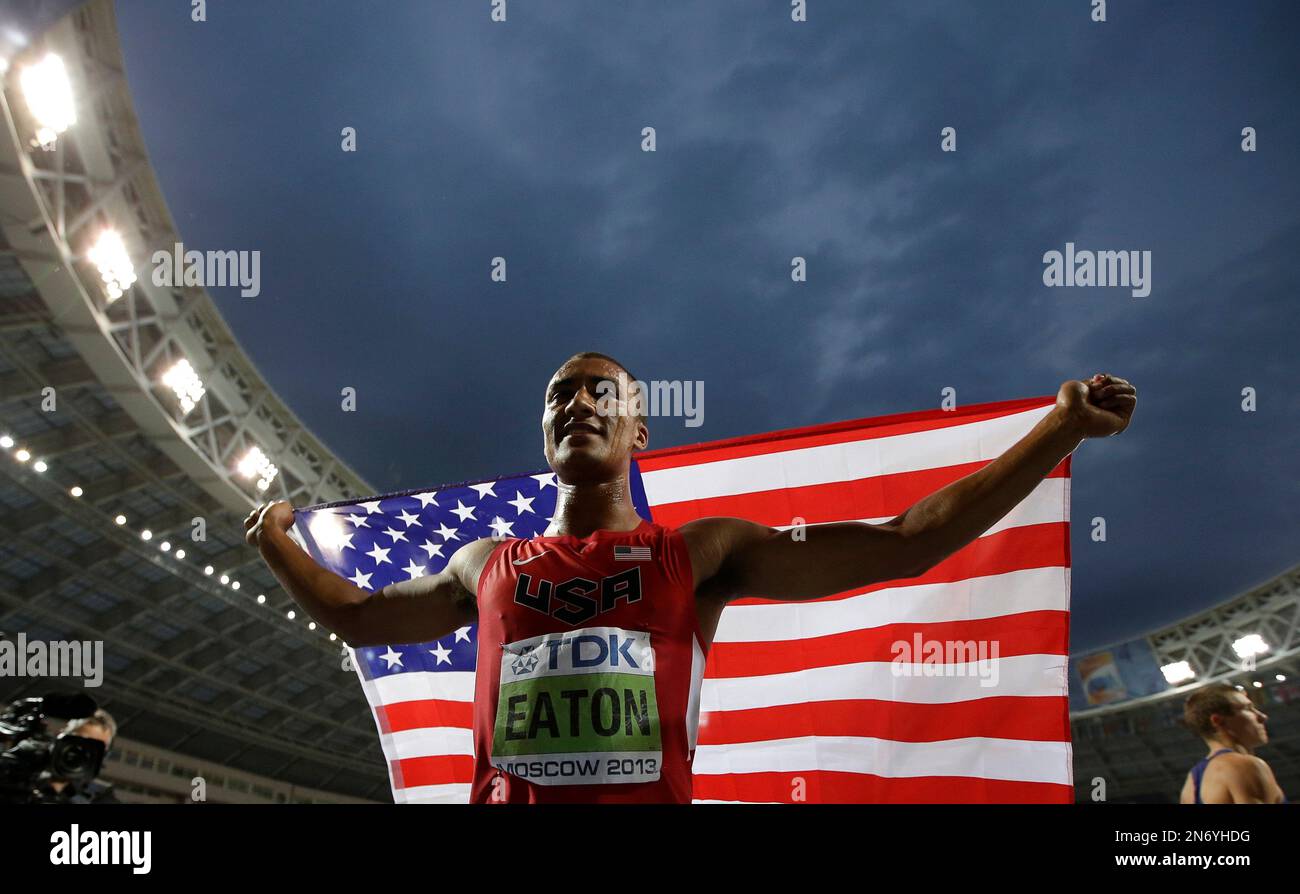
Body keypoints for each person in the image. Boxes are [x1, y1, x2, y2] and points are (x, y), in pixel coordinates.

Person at [247, 352, 1137, 803]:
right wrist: (276, 542)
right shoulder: (486, 563)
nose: (580, 404)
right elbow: (363, 618)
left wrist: (1059, 431)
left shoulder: (700, 552)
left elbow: (903, 541)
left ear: (641, 436)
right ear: (547, 439)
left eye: (604, 394)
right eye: (562, 396)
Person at [1179, 683, 1286, 804]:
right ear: (1217, 720)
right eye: (1247, 709)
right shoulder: (1244, 765)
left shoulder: (1191, 784)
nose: (1262, 716)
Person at [39, 708, 120, 804]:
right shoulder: (24, 776)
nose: (84, 753)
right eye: (79, 743)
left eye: (95, 749)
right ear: (61, 737)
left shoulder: (101, 797)